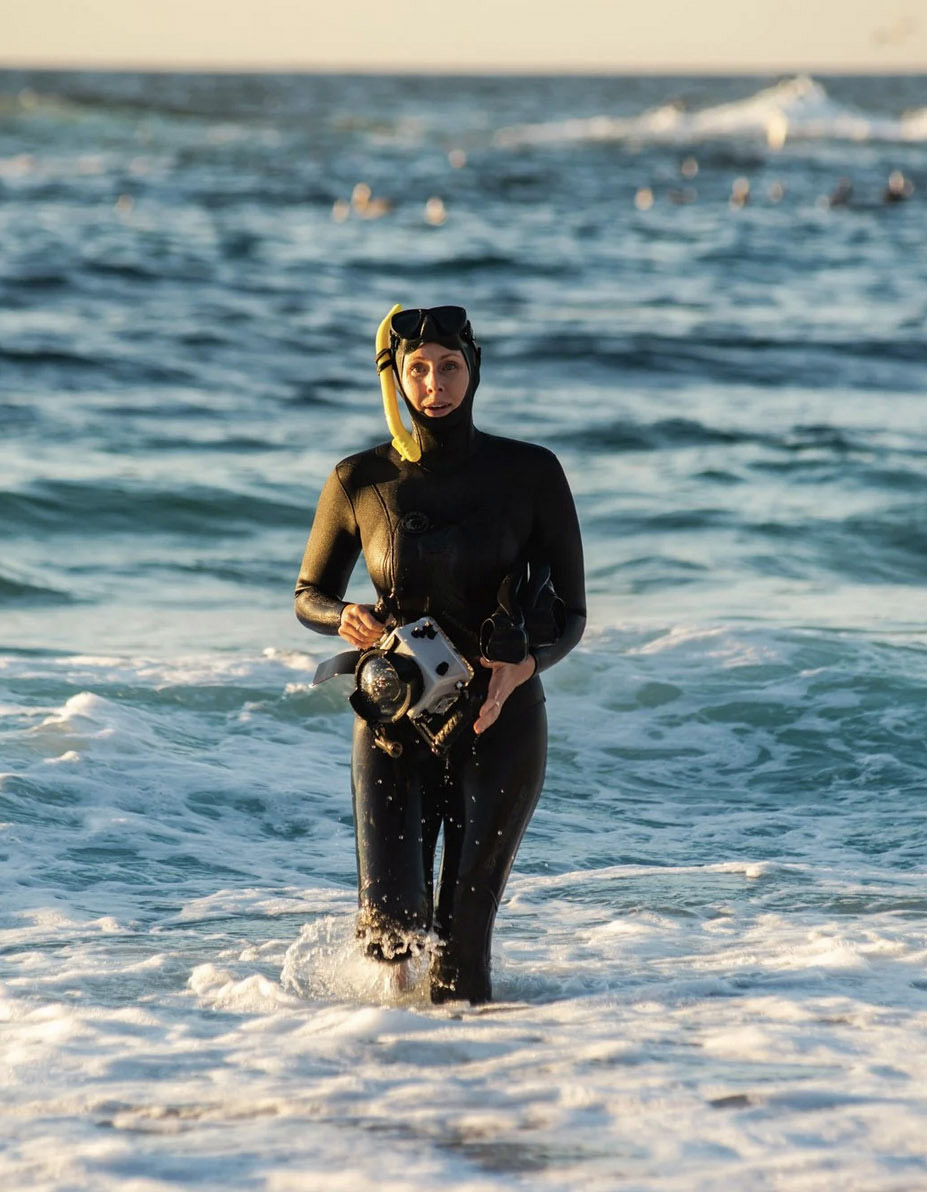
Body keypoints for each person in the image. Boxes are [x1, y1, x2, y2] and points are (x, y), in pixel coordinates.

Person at [294, 305, 585, 1004]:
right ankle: (389, 1082)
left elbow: (571, 614)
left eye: (449, 367)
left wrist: (524, 666)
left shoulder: (531, 473)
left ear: (473, 370)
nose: (434, 384)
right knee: (390, 934)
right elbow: (309, 594)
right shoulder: (359, 480)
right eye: (417, 369)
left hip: (500, 719)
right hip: (393, 721)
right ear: (393, 377)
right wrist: (344, 617)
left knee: (460, 954)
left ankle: (470, 1089)